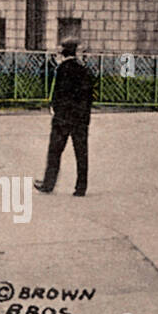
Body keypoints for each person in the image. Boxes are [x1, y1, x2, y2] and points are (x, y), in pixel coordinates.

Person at [35, 39, 95, 197]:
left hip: (63, 118)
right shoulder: (85, 70)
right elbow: (89, 95)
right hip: (81, 118)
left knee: (55, 151)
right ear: (75, 52)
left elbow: (58, 93)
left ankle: (48, 184)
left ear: (63, 53)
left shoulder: (62, 69)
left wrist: (54, 108)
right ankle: (81, 187)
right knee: (81, 152)